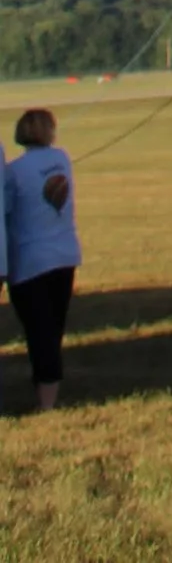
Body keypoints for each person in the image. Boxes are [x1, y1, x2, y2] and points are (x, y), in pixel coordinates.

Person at [4, 108, 78, 412]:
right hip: (64, 256)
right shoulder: (62, 159)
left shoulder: (13, 172)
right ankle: (47, 389)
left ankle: (46, 401)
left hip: (31, 261)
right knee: (53, 328)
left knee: (39, 331)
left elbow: (5, 209)